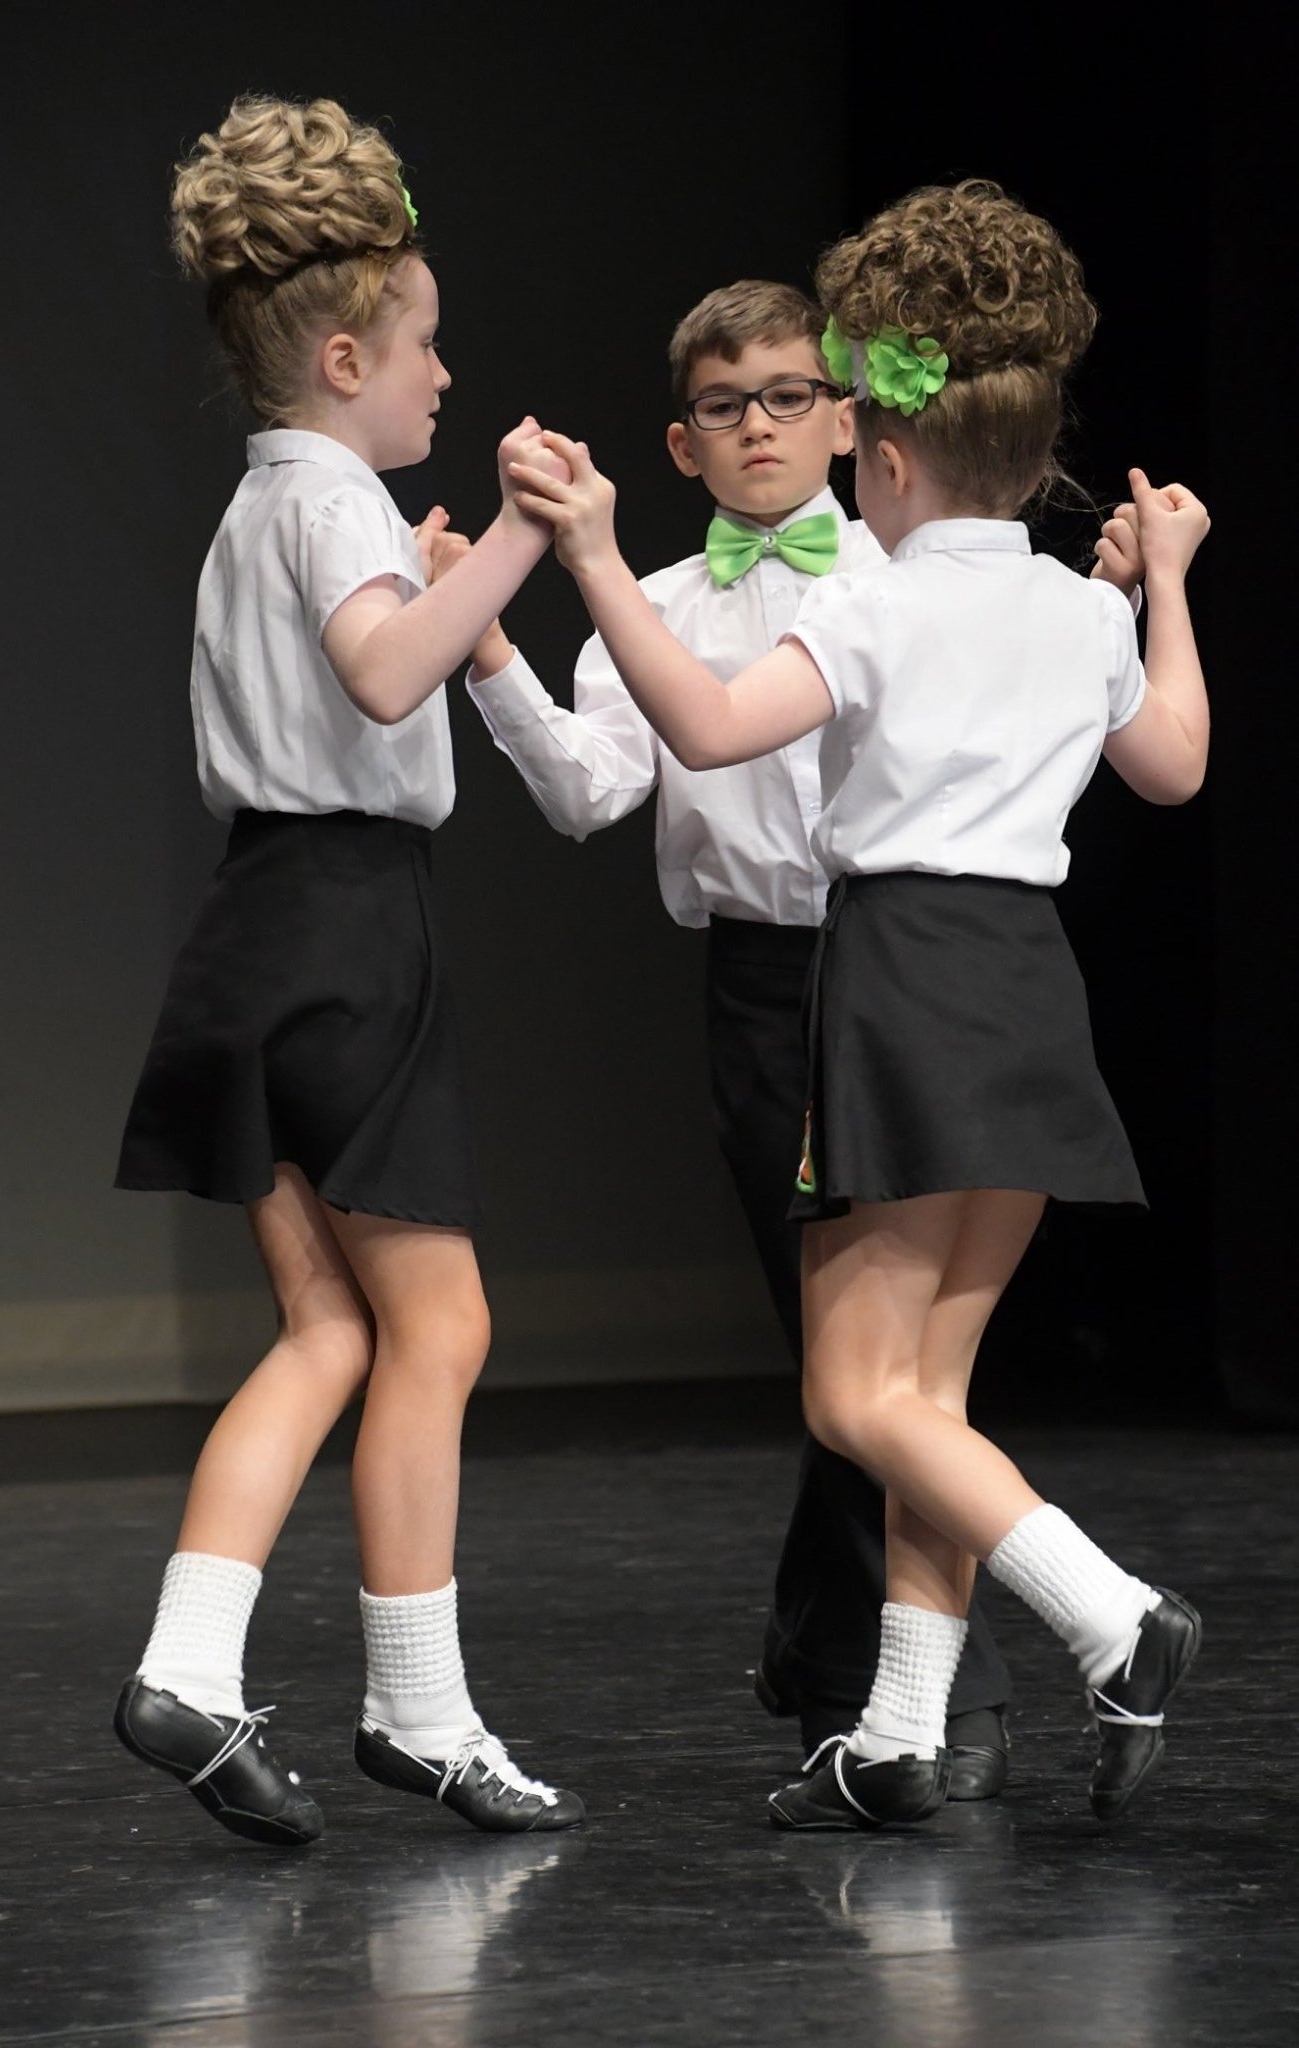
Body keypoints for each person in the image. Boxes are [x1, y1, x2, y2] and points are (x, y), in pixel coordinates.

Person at [509, 179, 1208, 1829]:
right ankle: (896, 1736)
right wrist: (1159, 579)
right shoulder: (1076, 602)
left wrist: (600, 553)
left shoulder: (873, 599)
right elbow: (1172, 767)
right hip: (1029, 994)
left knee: (853, 1394)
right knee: (925, 1400)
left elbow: (702, 720)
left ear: (879, 456)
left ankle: (1111, 1616)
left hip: (889, 985)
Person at [468, 279, 1034, 1796]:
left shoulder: (899, 583)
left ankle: (927, 1691)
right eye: (727, 406)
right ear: (682, 441)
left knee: (881, 1367)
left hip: (892, 968)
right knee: (834, 1352)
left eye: (791, 395)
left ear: (851, 421)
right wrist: (489, 658)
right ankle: (834, 1646)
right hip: (753, 990)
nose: (761, 426)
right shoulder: (646, 606)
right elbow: (591, 791)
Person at [113, 94, 582, 1845]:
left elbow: (373, 654)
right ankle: (421, 1705)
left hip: (262, 923)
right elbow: (388, 680)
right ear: (338, 354)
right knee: (438, 1322)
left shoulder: (270, 505)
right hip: (344, 927)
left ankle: (191, 1662)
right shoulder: (337, 503)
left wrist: (448, 585)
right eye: (426, 348)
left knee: (328, 1324)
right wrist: (522, 544)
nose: (444, 379)